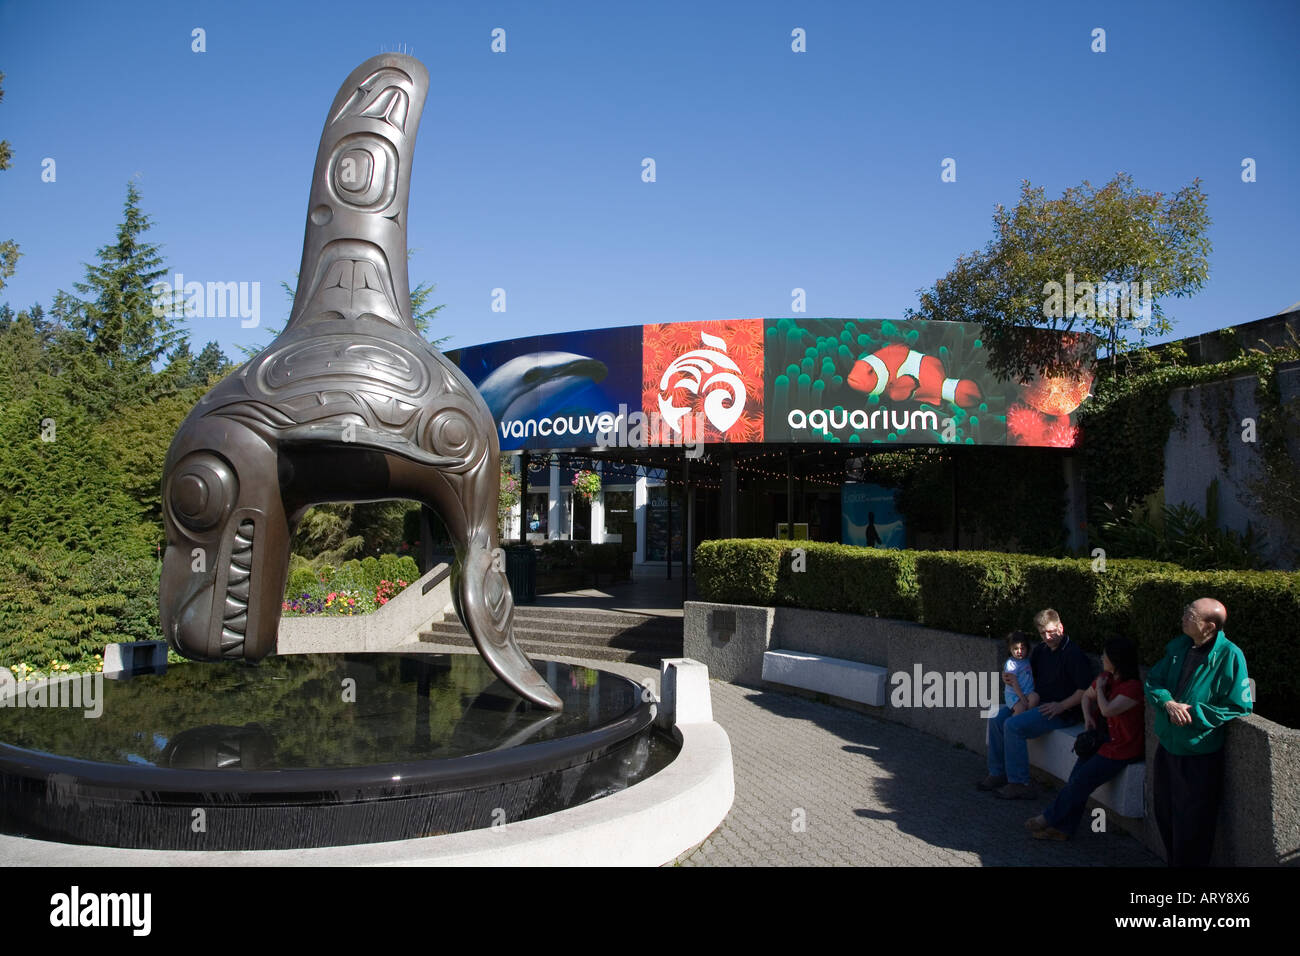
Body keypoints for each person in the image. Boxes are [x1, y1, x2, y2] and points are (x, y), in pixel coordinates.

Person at [1144, 597, 1251, 866]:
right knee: (1165, 814)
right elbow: (1153, 680)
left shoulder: (1230, 655)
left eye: (1190, 614)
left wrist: (1193, 714)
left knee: (1192, 825)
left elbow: (1239, 704)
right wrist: (1167, 702)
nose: (1183, 616)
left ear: (1210, 626)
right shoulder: (1179, 646)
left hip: (1198, 754)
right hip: (1168, 747)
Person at [1026, 637, 1144, 840]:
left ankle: (1048, 818)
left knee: (1080, 781)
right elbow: (1086, 697)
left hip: (1122, 748)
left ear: (1116, 660)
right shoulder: (1107, 677)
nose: (1102, 659)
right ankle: (1063, 829)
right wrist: (1088, 716)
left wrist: (1099, 689)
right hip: (1100, 740)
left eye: (1105, 656)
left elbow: (1107, 710)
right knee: (1076, 781)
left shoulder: (1132, 688)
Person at [978, 608, 1095, 799]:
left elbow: (1085, 690)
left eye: (1051, 632)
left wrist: (1062, 706)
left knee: (1013, 725)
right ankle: (998, 772)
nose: (1047, 637)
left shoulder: (1073, 654)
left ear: (1060, 627)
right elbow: (1024, 672)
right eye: (1042, 633)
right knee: (996, 718)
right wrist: (1008, 677)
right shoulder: (1041, 650)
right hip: (1036, 702)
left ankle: (1019, 783)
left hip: (1060, 711)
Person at [1003, 631, 1035, 715]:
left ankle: (1027, 716)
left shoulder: (1026, 660)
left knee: (1035, 698)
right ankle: (1012, 723)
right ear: (1010, 649)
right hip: (1014, 694)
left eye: (1022, 648)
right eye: (1016, 649)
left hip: (1028, 691)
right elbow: (1013, 682)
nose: (1019, 651)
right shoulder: (1011, 664)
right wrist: (1022, 697)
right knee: (1020, 709)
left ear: (1027, 648)